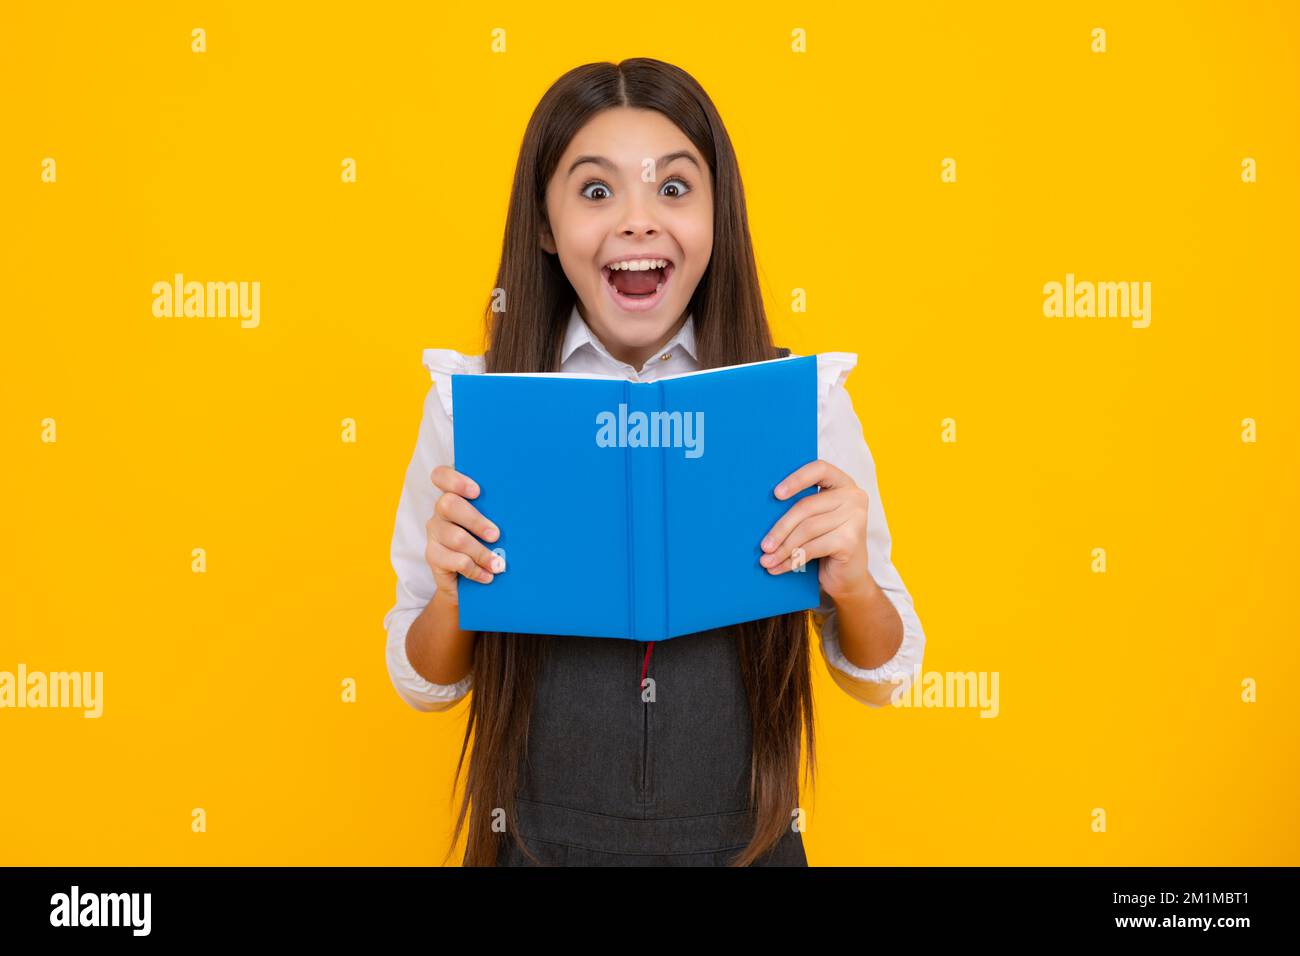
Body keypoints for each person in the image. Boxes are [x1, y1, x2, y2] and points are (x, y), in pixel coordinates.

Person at [383, 58, 926, 866]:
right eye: (596, 191)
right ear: (543, 224)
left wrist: (850, 582)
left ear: (718, 217)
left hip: (744, 845)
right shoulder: (472, 403)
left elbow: (885, 671)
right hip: (535, 846)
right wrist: (452, 595)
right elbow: (423, 679)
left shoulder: (799, 401)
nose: (638, 222)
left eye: (674, 188)